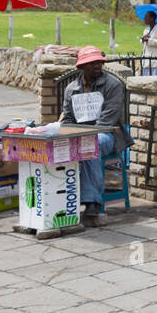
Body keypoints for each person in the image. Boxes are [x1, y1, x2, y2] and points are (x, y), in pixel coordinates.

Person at [60, 46, 132, 222]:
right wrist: (68, 133)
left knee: (90, 143)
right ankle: (61, 198)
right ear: (81, 67)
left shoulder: (113, 84)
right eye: (92, 63)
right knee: (60, 145)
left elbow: (108, 120)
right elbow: (67, 118)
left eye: (99, 61)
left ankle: (92, 202)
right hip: (80, 134)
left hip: (107, 135)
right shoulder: (71, 89)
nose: (97, 65)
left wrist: (83, 136)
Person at [139, 10, 157, 75]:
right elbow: (143, 42)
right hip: (145, 61)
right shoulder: (146, 30)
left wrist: (150, 40)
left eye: (146, 17)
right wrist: (143, 40)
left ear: (152, 18)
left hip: (155, 62)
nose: (144, 19)